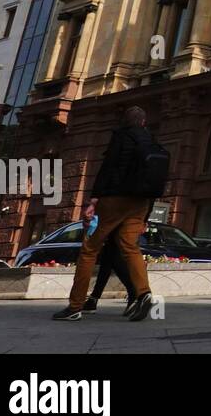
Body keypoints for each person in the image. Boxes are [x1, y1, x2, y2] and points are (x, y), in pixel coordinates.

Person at [53, 106, 156, 322]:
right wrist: (147, 214)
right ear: (144, 123)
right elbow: (155, 177)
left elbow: (108, 168)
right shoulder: (150, 141)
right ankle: (143, 293)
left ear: (124, 122)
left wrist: (94, 199)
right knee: (130, 247)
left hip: (115, 198)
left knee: (90, 249)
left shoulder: (121, 137)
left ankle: (75, 306)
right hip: (141, 201)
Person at [82, 220, 137, 315]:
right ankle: (93, 299)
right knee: (107, 262)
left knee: (112, 260)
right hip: (114, 226)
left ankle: (134, 293)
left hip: (115, 225)